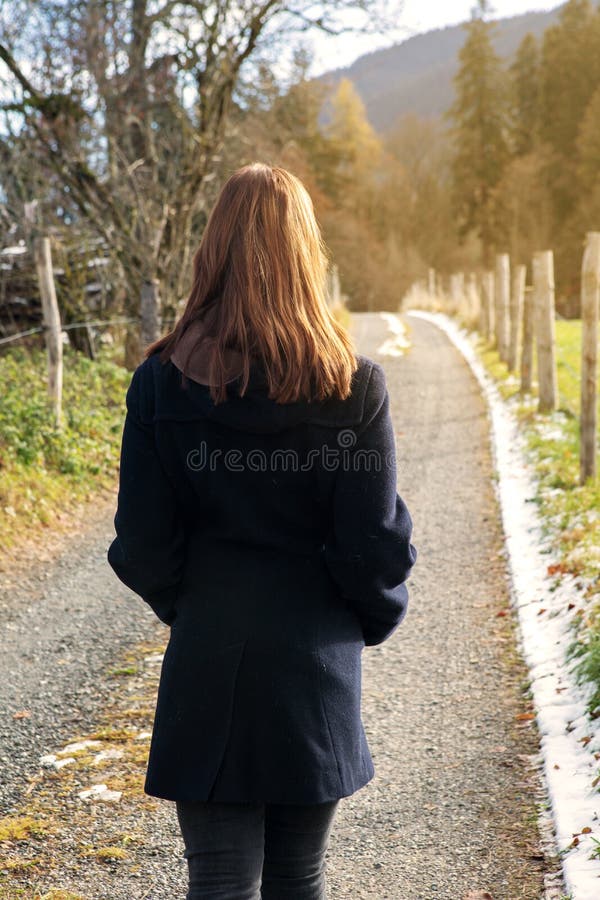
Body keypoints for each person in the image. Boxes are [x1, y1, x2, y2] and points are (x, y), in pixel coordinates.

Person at [107, 162, 417, 900]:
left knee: (216, 880)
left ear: (210, 254)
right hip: (314, 660)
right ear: (306, 255)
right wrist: (364, 621)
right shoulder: (352, 384)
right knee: (297, 879)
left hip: (209, 653)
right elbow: (372, 543)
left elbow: (142, 542)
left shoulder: (160, 382)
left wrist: (197, 606)